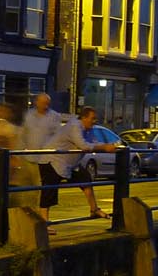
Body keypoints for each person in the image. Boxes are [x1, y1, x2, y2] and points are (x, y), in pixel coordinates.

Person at [58, 106, 113, 220]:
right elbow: (83, 145)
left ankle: (94, 209)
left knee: (85, 178)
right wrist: (104, 147)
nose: (94, 121)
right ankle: (44, 221)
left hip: (71, 163)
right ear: (83, 117)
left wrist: (107, 146)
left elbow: (93, 142)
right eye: (92, 118)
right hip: (57, 161)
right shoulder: (75, 126)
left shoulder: (88, 129)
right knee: (49, 190)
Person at [20, 92, 66, 222]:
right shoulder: (28, 115)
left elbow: (58, 135)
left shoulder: (54, 117)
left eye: (47, 103)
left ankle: (41, 218)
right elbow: (23, 133)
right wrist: (19, 151)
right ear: (36, 102)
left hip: (45, 159)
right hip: (29, 156)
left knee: (42, 189)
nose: (45, 106)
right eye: (42, 102)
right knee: (28, 189)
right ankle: (29, 217)